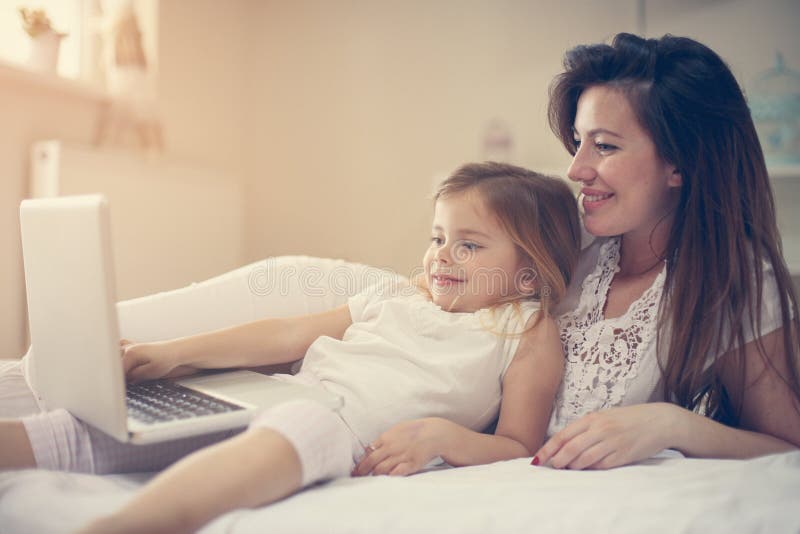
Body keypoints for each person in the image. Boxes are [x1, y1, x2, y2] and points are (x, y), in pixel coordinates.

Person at [0, 162, 582, 533]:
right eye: (437, 238)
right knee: (106, 425)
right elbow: (285, 335)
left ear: (529, 275)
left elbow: (520, 442)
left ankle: (133, 525)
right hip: (279, 398)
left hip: (339, 431)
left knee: (302, 425)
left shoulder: (525, 330)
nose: (441, 257)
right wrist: (175, 352)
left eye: (470, 246)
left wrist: (445, 437)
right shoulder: (399, 294)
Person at [531, 32, 800, 470]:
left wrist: (670, 425)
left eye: (604, 145)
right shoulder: (562, 243)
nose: (576, 168)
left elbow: (788, 448)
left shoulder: (734, 278)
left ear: (680, 163)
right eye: (578, 141)